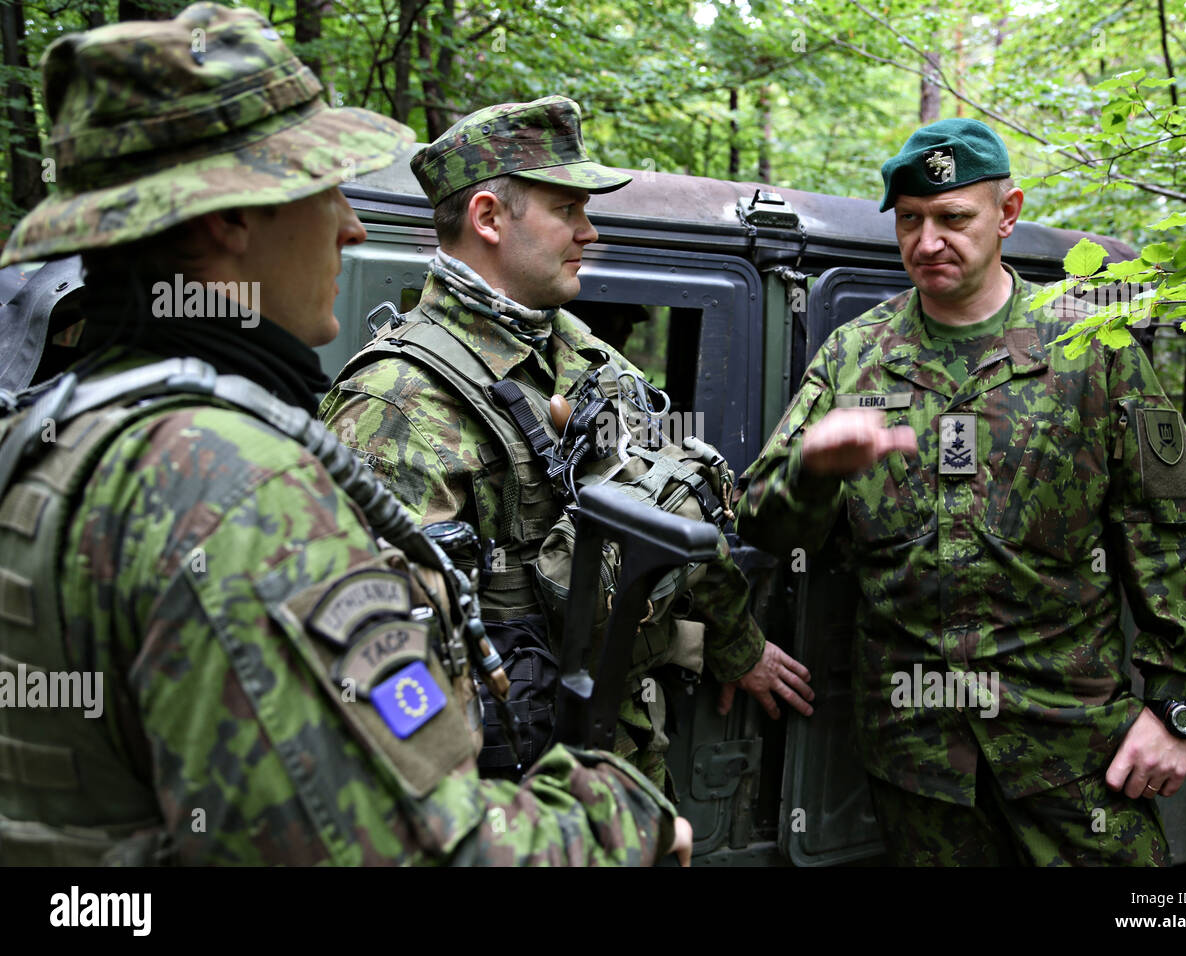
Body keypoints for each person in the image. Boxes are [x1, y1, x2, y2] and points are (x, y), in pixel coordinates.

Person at [0, 3, 689, 866]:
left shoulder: (52, 436)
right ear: (232, 220)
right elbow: (415, 850)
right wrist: (625, 815)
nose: (352, 225)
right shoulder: (232, 485)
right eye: (324, 189)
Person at [734, 118, 1186, 866]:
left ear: (1007, 213)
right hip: (919, 755)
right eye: (910, 220)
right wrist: (813, 468)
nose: (927, 241)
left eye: (952, 218)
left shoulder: (1091, 347)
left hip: (1073, 750)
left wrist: (1178, 708)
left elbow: (1168, 534)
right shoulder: (855, 356)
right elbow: (765, 524)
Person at [321, 95, 814, 790]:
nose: (588, 232)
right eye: (567, 210)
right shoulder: (396, 403)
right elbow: (385, 674)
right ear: (488, 217)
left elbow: (671, 511)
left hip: (627, 759)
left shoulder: (588, 357)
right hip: (516, 798)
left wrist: (734, 644)